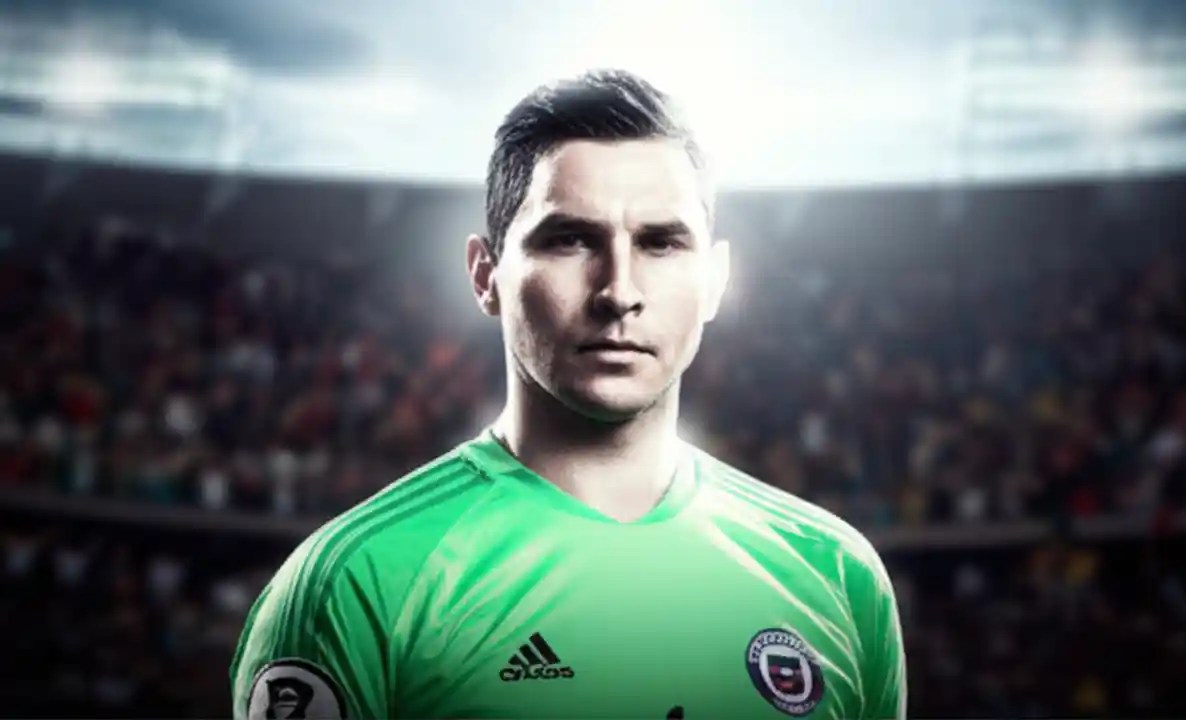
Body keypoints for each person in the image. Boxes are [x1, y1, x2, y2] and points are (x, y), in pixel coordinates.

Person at [230, 68, 906, 720]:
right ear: (486, 274)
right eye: (570, 240)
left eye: (661, 243)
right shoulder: (353, 585)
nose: (619, 291)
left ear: (716, 280)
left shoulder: (837, 576)